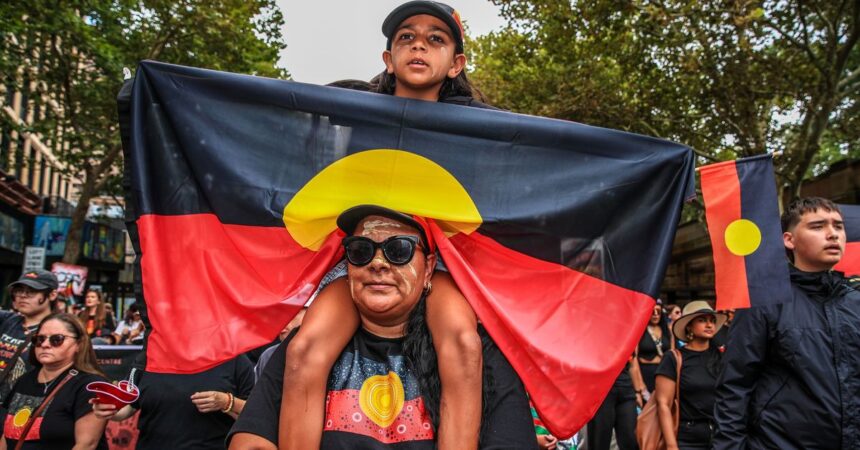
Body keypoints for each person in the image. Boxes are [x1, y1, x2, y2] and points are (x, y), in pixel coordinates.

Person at [280, 3, 491, 449]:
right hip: (364, 257)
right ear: (388, 59)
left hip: (438, 265)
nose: (419, 44)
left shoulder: (480, 132)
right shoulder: (352, 111)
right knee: (302, 351)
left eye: (436, 38)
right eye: (406, 37)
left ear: (456, 64)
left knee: (465, 348)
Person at [228, 205, 538, 449]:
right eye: (361, 250)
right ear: (348, 266)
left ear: (429, 267)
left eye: (399, 249)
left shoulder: (482, 354)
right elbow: (252, 441)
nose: (378, 262)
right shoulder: (304, 346)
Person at [714, 197, 860, 449]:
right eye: (817, 226)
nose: (833, 234)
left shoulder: (855, 301)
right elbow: (734, 388)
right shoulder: (763, 300)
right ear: (789, 240)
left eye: (838, 226)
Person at [92, 353, 254, 449]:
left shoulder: (233, 359)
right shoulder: (148, 358)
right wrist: (109, 408)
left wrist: (227, 402)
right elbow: (128, 407)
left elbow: (257, 416)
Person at [1, 313, 109, 449]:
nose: (45, 345)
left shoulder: (90, 385)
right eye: (39, 339)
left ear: (79, 345)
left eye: (56, 339)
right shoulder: (24, 380)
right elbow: (6, 437)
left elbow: (86, 445)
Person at [654, 301, 726, 450]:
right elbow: (663, 405)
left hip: (721, 435)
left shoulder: (720, 356)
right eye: (702, 320)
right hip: (687, 438)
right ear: (689, 326)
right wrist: (671, 445)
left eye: (712, 321)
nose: (709, 325)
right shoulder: (674, 358)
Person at [0, 270, 59, 414]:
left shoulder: (60, 330)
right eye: (19, 291)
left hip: (25, 409)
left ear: (52, 295)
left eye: (32, 291)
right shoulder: (8, 320)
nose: (23, 296)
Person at [587, 354, 640, 450]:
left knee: (631, 440)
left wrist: (638, 391)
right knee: (599, 442)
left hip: (625, 386)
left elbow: (632, 362)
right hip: (600, 389)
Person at [633, 304, 671, 395]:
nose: (655, 314)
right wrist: (640, 384)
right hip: (646, 372)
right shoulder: (639, 330)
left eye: (658, 312)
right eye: (652, 311)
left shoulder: (667, 330)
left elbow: (672, 353)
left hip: (664, 372)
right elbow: (634, 359)